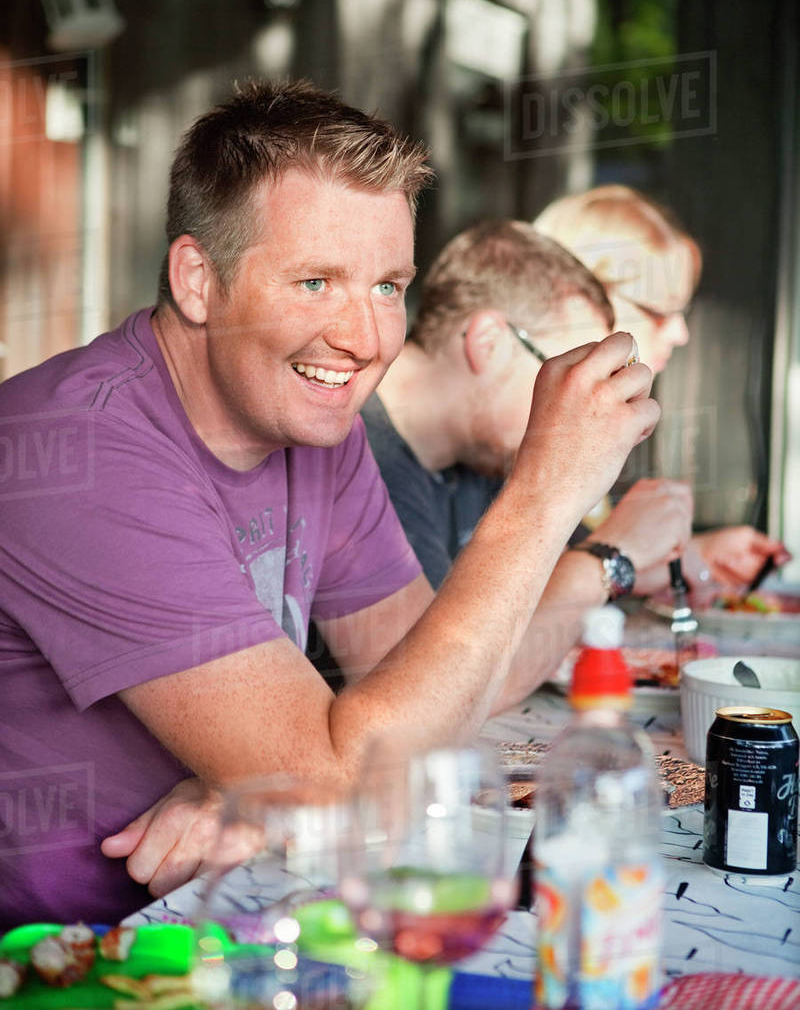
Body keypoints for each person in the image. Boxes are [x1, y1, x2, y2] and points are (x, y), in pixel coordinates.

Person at [0, 81, 672, 929]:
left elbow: (445, 682)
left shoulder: (315, 426)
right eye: (316, 281)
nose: (365, 339)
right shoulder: (82, 451)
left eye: (388, 286)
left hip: (232, 914)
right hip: (66, 958)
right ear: (198, 280)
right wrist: (544, 493)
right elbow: (341, 777)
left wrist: (252, 785)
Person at [361, 218, 692, 597]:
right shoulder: (360, 461)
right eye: (566, 375)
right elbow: (456, 639)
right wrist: (613, 555)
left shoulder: (483, 454)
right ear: (488, 342)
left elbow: (562, 565)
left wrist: (685, 553)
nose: (579, 402)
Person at [534, 184, 791, 590]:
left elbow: (578, 568)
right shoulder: (526, 434)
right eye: (660, 312)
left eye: (682, 311)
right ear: (578, 301)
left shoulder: (588, 424)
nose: (680, 333)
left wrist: (698, 556)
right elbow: (526, 599)